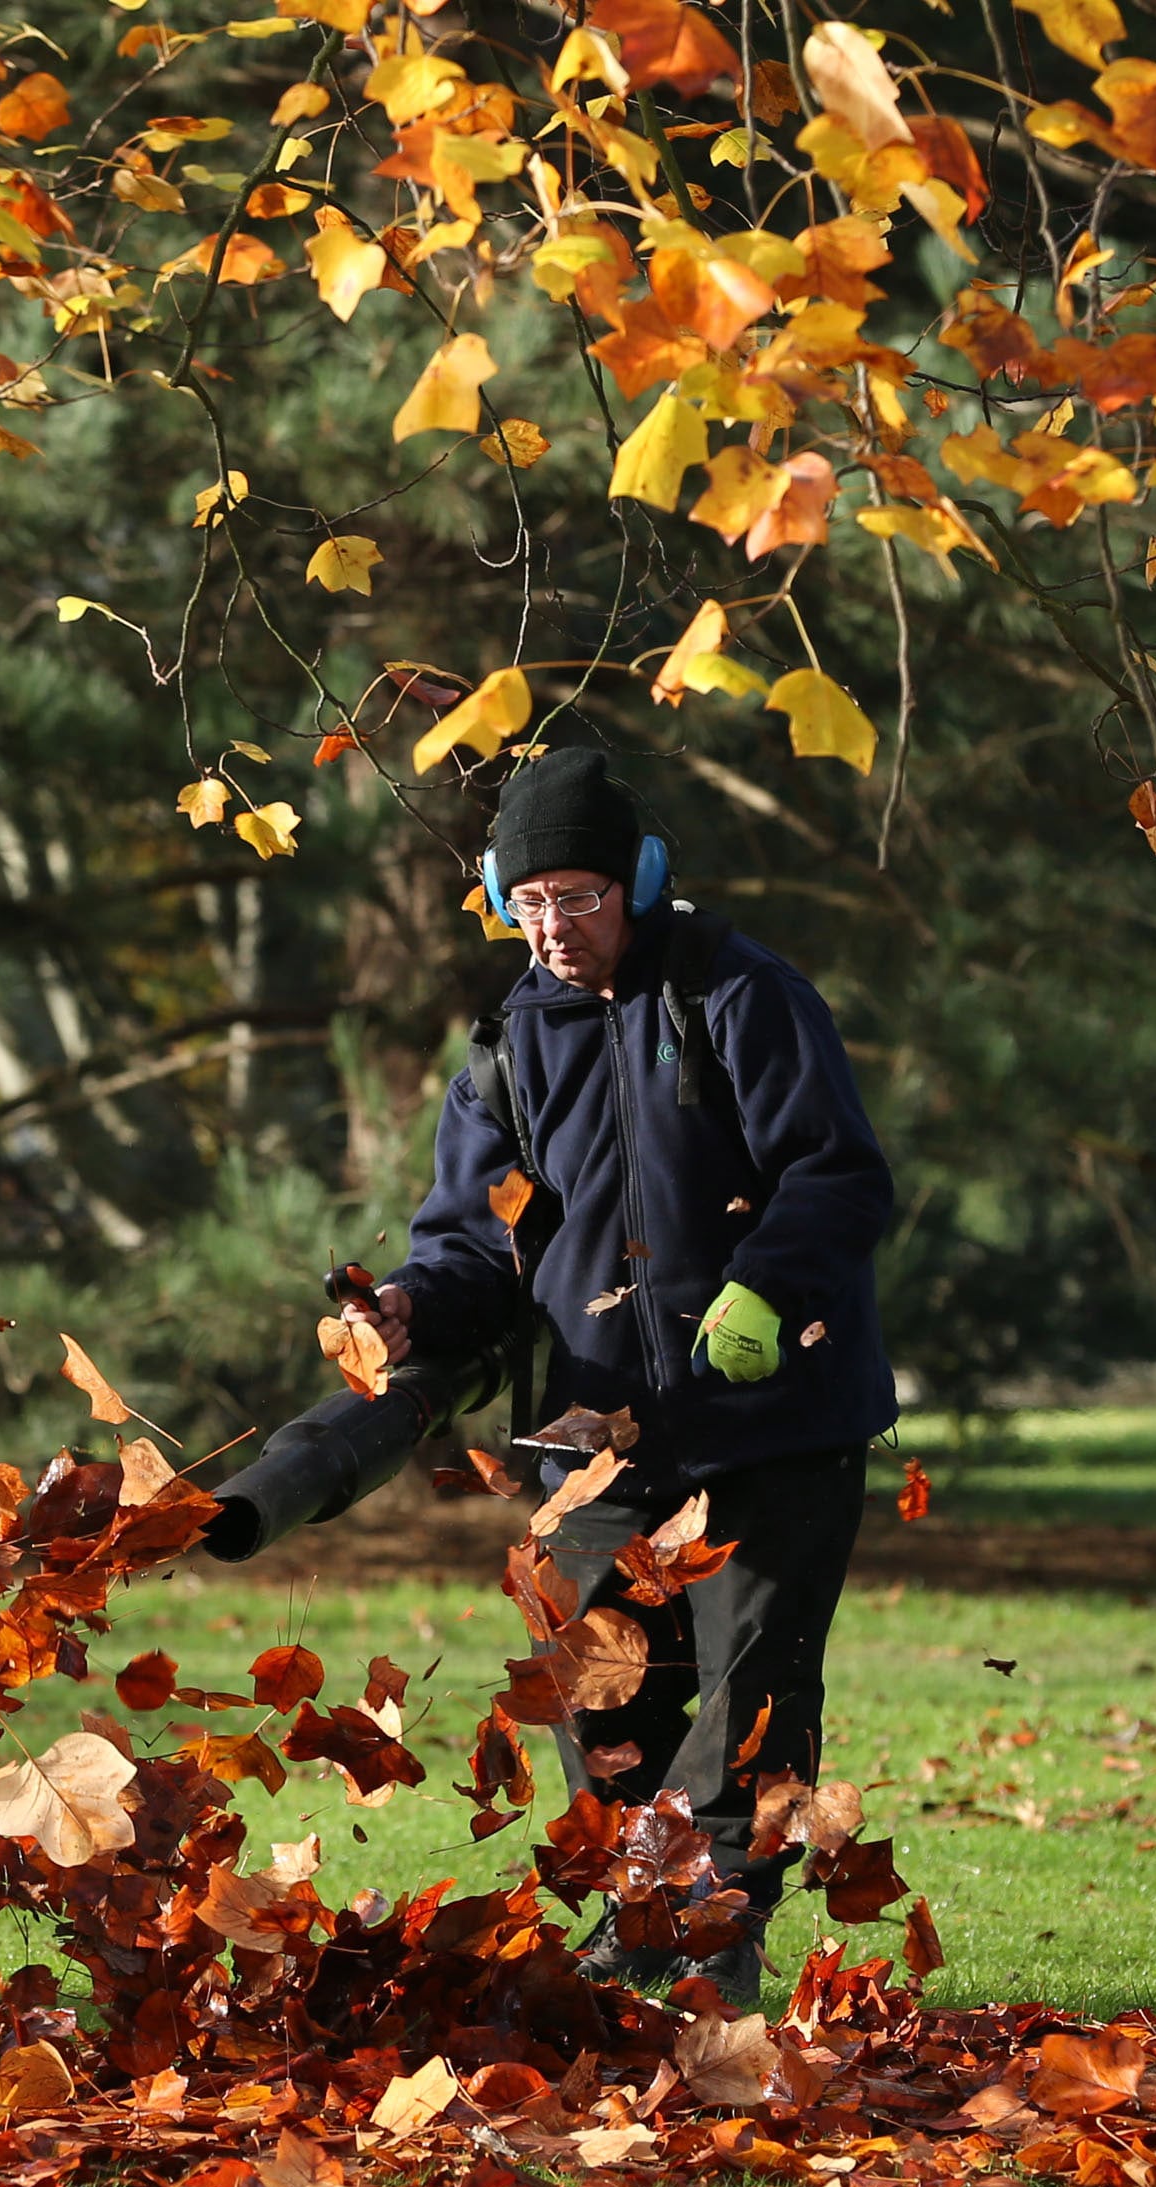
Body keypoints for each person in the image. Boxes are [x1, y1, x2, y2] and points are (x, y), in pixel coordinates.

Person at [344, 747, 898, 2009]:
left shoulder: (740, 993)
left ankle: (711, 1940)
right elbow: (477, 1242)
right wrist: (412, 1302)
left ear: (642, 881)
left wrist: (770, 1284)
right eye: (529, 901)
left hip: (774, 1425)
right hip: (596, 1438)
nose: (554, 927)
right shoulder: (506, 1045)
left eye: (581, 896)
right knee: (599, 1697)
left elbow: (838, 1174)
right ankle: (644, 1921)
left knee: (751, 1695)